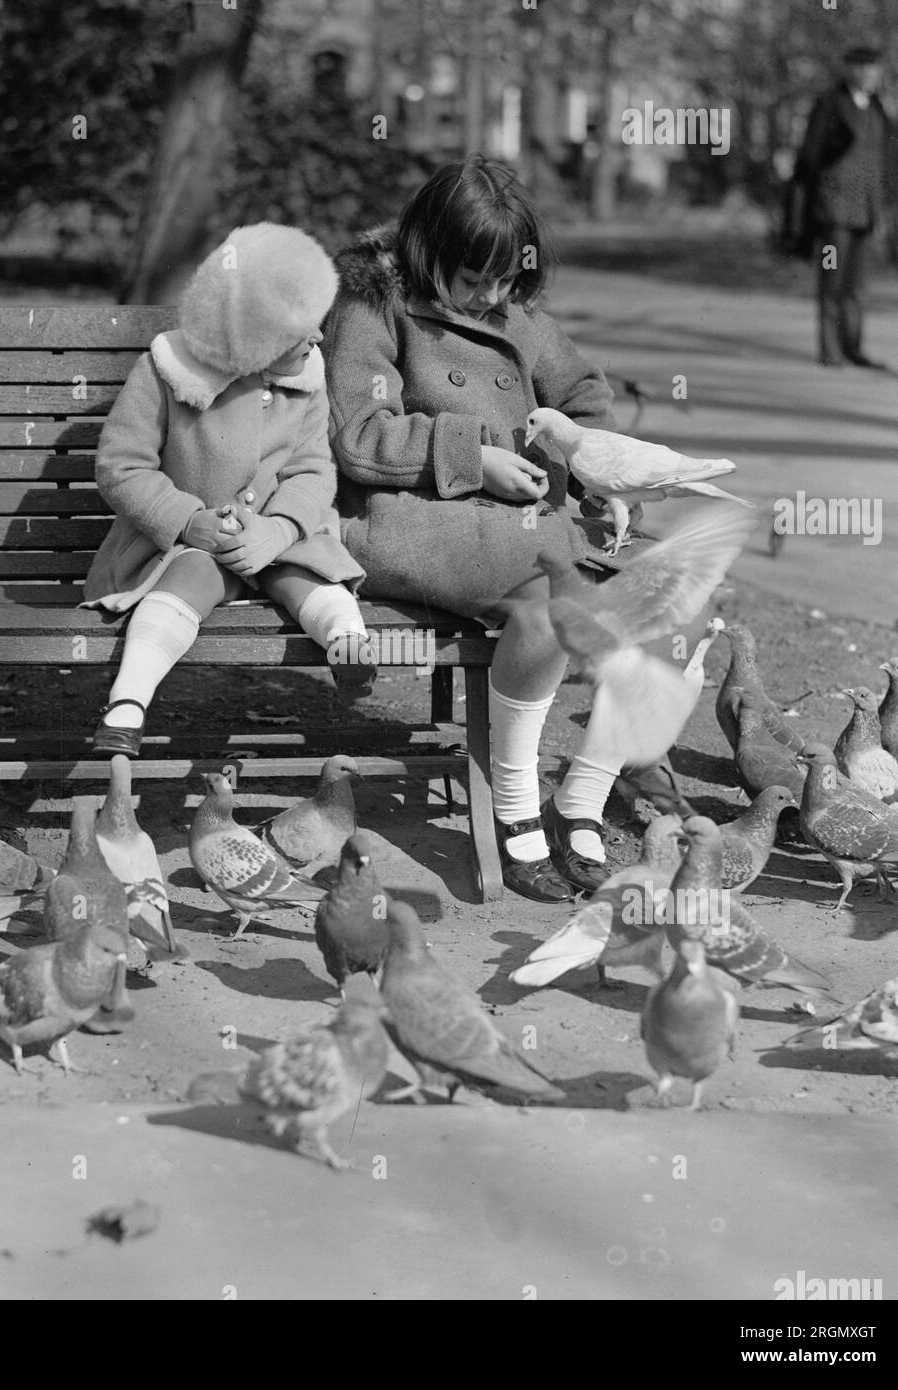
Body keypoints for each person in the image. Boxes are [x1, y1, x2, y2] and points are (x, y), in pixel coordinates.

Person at [323, 156, 647, 902]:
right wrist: (479, 458)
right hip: (410, 516)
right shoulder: (373, 303)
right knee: (556, 589)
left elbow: (585, 394)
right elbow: (361, 434)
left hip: (520, 516)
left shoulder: (514, 307)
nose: (491, 297)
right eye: (473, 280)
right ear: (427, 246)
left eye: (505, 280)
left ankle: (578, 801)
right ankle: (514, 808)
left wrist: (594, 469)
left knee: (677, 615)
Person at [83, 223, 372, 756]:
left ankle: (347, 642)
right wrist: (188, 519)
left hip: (280, 534)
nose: (319, 339)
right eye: (302, 329)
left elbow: (314, 469)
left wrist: (281, 528)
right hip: (186, 542)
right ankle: (127, 704)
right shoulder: (166, 370)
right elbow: (122, 465)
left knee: (308, 572)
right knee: (186, 579)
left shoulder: (306, 375)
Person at [789, 45, 891, 369]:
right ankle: (830, 349)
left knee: (857, 286)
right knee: (832, 280)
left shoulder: (877, 107)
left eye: (876, 69)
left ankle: (853, 348)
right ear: (853, 70)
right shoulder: (830, 104)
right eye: (867, 69)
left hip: (865, 212)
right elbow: (809, 157)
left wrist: (881, 210)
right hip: (834, 213)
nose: (873, 75)